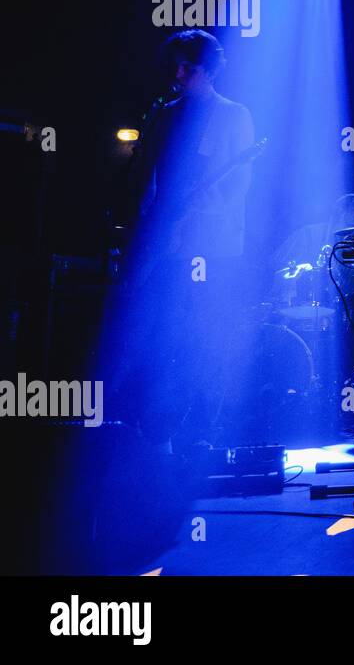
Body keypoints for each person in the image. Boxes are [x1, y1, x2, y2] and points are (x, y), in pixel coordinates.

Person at [121, 29, 256, 447]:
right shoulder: (165, 114)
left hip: (209, 247)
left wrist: (190, 216)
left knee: (200, 333)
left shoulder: (234, 115)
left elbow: (236, 189)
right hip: (165, 245)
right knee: (162, 331)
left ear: (209, 69)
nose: (178, 73)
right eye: (176, 65)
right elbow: (151, 178)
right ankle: (154, 426)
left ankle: (201, 431)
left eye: (189, 67)